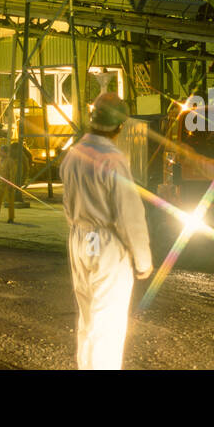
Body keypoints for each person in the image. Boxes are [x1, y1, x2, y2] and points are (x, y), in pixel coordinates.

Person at [59, 91, 152, 370]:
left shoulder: (73, 154)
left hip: (79, 237)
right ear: (119, 126)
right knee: (107, 323)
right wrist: (142, 259)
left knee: (87, 319)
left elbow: (66, 203)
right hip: (107, 243)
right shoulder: (112, 159)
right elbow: (129, 214)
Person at [0, 139, 20, 223]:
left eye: (2, 152)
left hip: (7, 185)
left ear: (6, 152)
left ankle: (11, 218)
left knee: (10, 202)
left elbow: (13, 174)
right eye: (0, 151)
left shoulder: (10, 161)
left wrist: (11, 185)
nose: (0, 153)